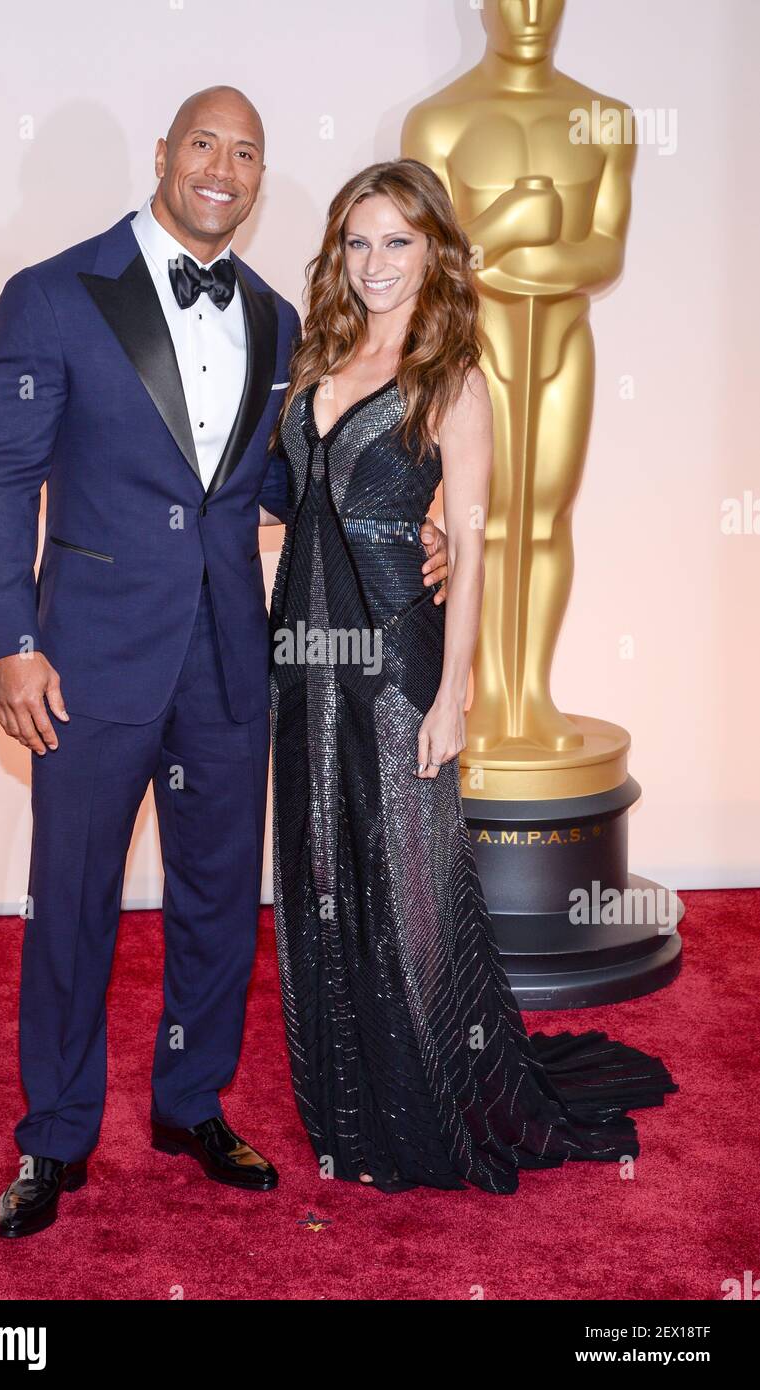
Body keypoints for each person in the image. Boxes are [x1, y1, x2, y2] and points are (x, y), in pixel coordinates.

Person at [0, 85, 452, 1237]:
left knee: (221, 897)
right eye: (204, 144)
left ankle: (190, 1100)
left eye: (246, 152)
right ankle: (57, 1135)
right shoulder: (52, 294)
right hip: (84, 656)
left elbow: (291, 482)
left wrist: (415, 519)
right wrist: (12, 646)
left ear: (260, 176)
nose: (223, 167)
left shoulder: (282, 321)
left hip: (232, 655)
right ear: (165, 154)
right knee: (73, 899)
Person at [267, 158, 678, 1194]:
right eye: (357, 242)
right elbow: (292, 501)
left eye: (396, 241)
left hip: (398, 658)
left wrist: (457, 694)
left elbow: (479, 543)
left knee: (410, 886)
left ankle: (428, 1098)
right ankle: (347, 1106)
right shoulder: (316, 358)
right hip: (304, 659)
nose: (374, 263)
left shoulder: (454, 375)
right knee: (322, 877)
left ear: (435, 251)